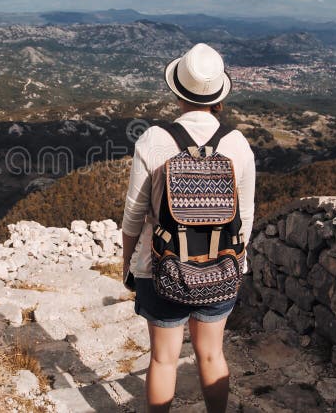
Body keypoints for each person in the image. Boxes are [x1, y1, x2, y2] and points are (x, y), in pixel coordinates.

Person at [121, 43, 256, 412]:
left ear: (176, 90)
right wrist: (236, 264)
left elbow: (134, 214)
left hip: (160, 266)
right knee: (211, 355)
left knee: (164, 360)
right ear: (218, 95)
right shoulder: (237, 144)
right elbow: (245, 215)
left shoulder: (153, 140)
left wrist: (128, 264)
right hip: (222, 266)